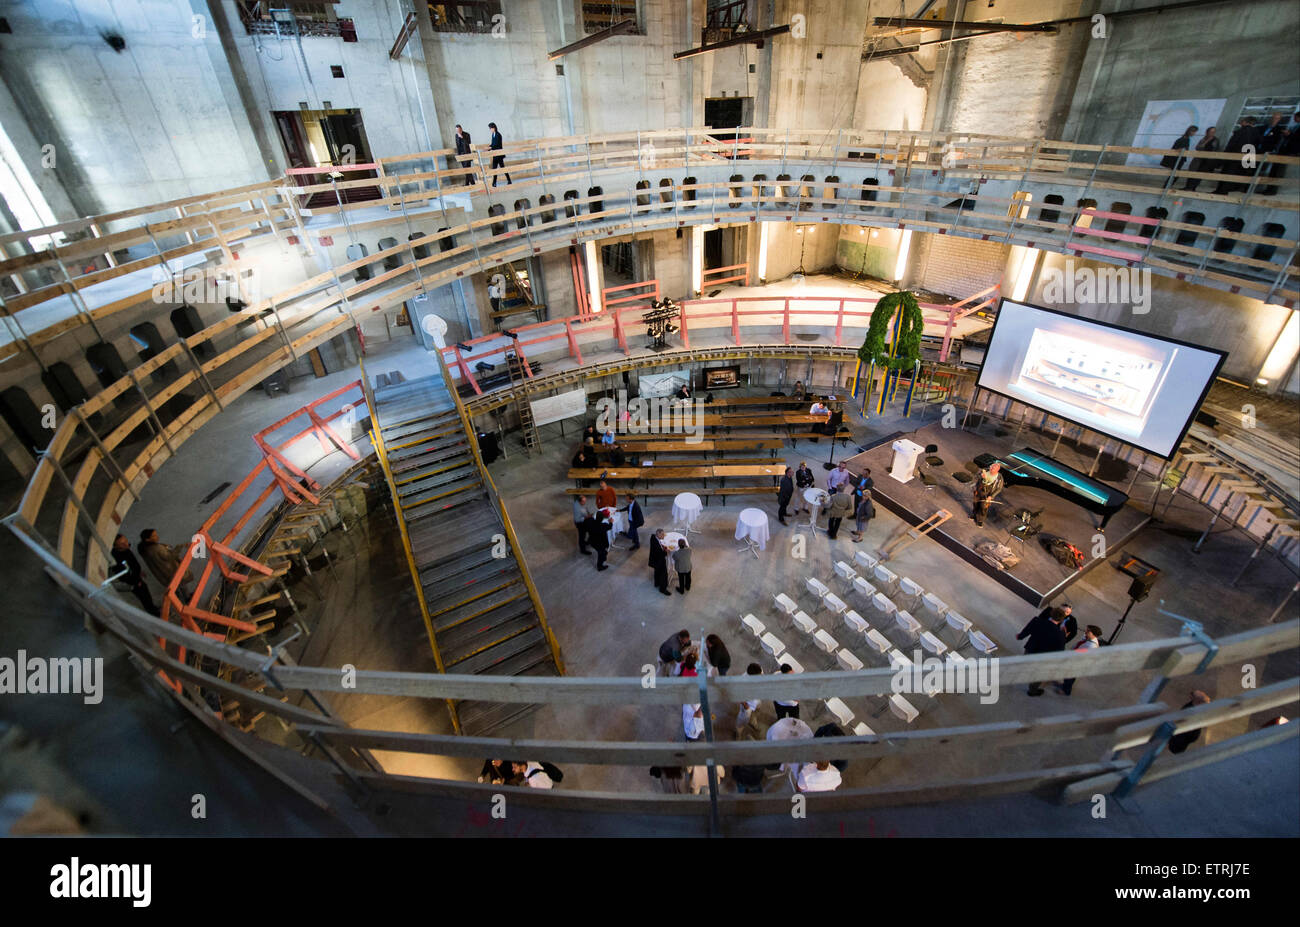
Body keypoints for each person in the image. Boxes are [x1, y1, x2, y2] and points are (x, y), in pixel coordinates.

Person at [1017, 606, 1068, 696]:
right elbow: (1060, 650)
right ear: (1061, 620)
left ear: (1051, 614)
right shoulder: (1060, 634)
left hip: (1030, 649)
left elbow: (1026, 631)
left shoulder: (1037, 621)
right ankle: (1032, 691)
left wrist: (1020, 636)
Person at [137, 529, 195, 601]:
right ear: (147, 539)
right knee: (181, 582)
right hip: (170, 570)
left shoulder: (144, 549)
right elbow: (169, 556)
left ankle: (177, 597)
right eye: (154, 536)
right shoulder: (157, 549)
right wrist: (180, 547)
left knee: (173, 586)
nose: (157, 536)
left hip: (162, 572)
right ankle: (187, 597)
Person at [112, 533, 158, 615]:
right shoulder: (117, 560)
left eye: (126, 541)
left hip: (137, 577)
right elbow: (124, 576)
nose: (127, 544)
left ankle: (153, 608)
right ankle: (154, 613)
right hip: (135, 582)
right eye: (122, 544)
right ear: (116, 546)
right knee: (144, 597)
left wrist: (139, 571)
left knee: (146, 594)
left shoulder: (125, 549)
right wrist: (136, 582)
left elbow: (133, 562)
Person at [1054, 625, 1103, 695]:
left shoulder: (1092, 646)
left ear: (1094, 634)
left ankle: (1066, 690)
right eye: (1087, 630)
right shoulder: (1087, 637)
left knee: (1069, 676)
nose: (1085, 631)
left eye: (1088, 631)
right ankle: (1065, 685)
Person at [1183, 127, 1219, 191]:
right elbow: (1198, 147)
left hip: (1206, 161)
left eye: (1213, 132)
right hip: (1198, 159)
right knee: (1192, 171)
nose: (1211, 133)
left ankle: (1192, 188)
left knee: (1199, 175)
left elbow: (1214, 150)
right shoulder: (1204, 139)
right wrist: (1205, 142)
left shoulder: (1215, 140)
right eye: (1210, 132)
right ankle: (1188, 186)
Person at [972, 461, 1003, 527]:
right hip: (980, 489)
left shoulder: (999, 477)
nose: (991, 469)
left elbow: (999, 488)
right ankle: (974, 515)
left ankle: (980, 520)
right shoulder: (986, 471)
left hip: (988, 492)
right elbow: (977, 476)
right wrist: (981, 476)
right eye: (991, 467)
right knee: (975, 503)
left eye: (993, 468)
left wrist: (991, 496)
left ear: (997, 470)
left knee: (983, 507)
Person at [735, 662, 762, 736]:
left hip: (757, 700)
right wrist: (745, 705)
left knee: (755, 713)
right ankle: (738, 731)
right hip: (748, 704)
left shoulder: (758, 671)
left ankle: (752, 722)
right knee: (742, 719)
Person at [487, 122, 511, 186]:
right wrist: (488, 147)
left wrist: (490, 148)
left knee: (502, 168)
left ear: (494, 128)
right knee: (494, 169)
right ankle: (494, 183)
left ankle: (509, 180)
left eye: (490, 128)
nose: (490, 130)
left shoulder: (498, 135)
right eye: (490, 129)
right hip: (495, 154)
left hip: (499, 154)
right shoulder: (493, 134)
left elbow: (497, 145)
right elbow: (492, 144)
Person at [649, 529, 671, 595]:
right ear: (658, 534)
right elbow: (660, 554)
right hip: (659, 561)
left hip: (654, 560)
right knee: (663, 575)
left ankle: (657, 583)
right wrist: (666, 552)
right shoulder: (656, 545)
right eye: (662, 534)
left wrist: (662, 547)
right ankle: (663, 589)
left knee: (657, 572)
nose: (664, 535)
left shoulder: (653, 537)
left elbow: (659, 548)